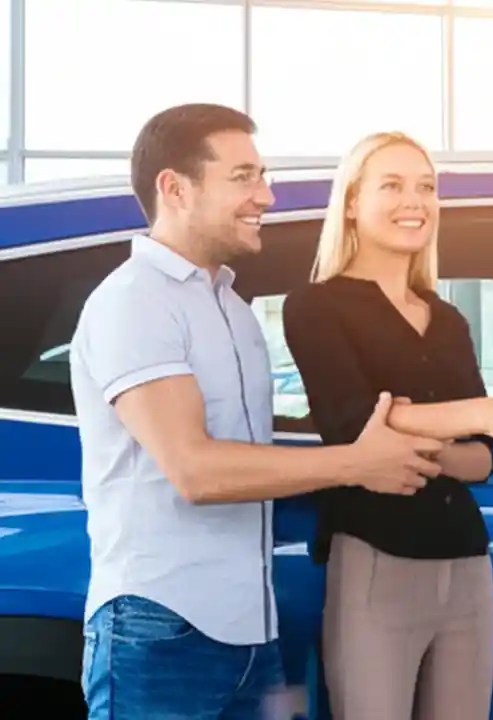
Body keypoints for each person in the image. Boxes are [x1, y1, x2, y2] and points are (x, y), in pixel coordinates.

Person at [69, 104, 453, 719]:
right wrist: (357, 464)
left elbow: (253, 455)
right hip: (161, 627)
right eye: (243, 177)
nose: (266, 195)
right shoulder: (133, 302)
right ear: (176, 188)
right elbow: (198, 471)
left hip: (250, 632)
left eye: (263, 176)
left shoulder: (235, 311)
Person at [281, 130, 493, 720]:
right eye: (391, 185)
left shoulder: (447, 318)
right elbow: (355, 426)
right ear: (351, 204)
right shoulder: (315, 307)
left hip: (467, 565)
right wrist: (483, 417)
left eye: (426, 187)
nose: (413, 201)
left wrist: (419, 439)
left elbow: (483, 459)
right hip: (375, 557)